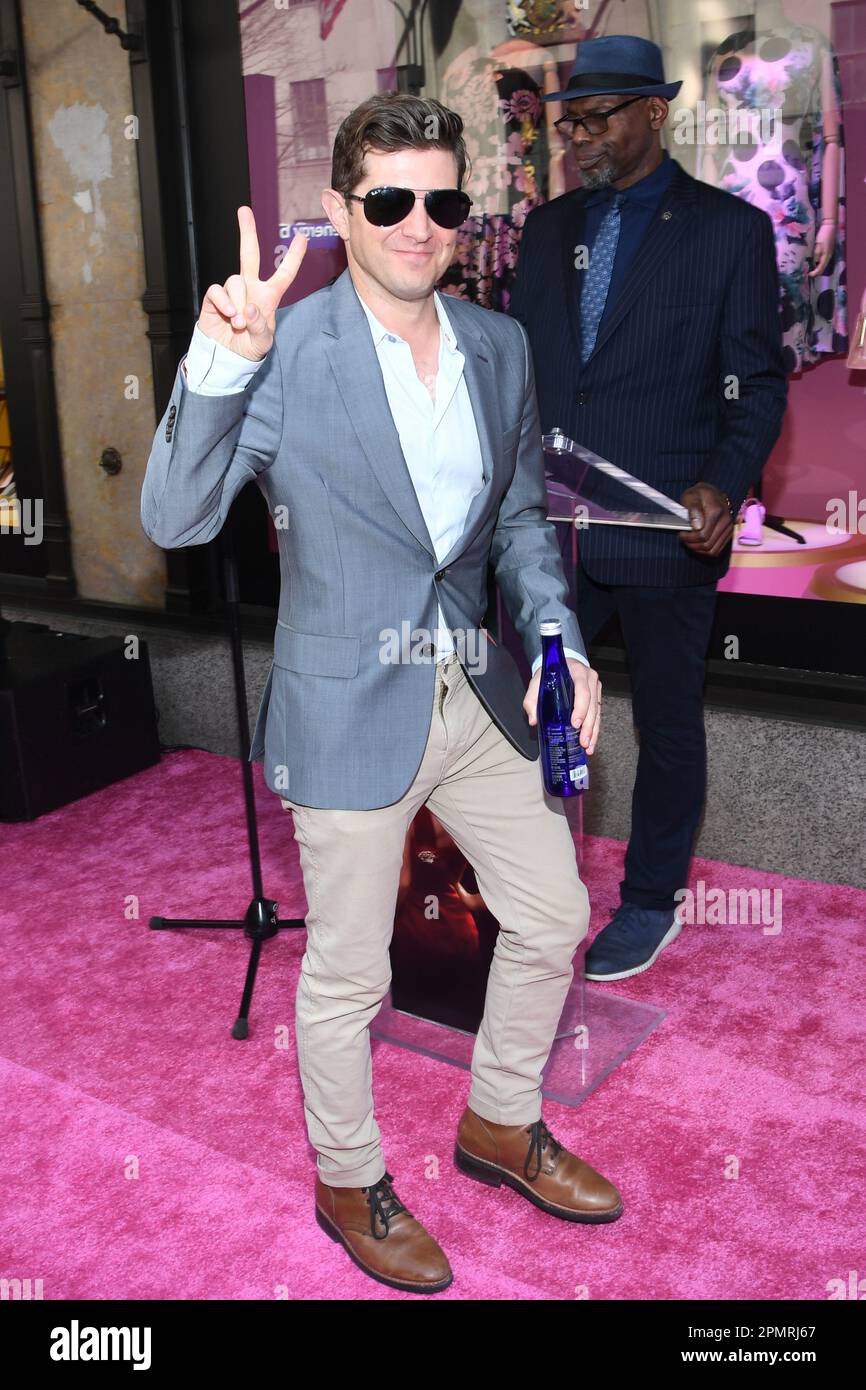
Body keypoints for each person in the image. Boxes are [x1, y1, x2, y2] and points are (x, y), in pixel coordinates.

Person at [140, 93, 620, 1297]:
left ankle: (498, 1123)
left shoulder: (496, 346)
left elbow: (513, 526)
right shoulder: (285, 352)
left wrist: (557, 635)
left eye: (442, 201)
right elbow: (173, 519)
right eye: (390, 200)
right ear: (343, 211)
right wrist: (219, 361)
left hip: (471, 686)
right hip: (346, 698)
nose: (419, 224)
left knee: (552, 914)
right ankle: (347, 1178)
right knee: (350, 974)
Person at [509, 36, 788, 983]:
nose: (580, 135)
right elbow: (530, 378)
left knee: (667, 723)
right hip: (550, 535)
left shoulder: (728, 231)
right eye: (571, 120)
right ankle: (539, 889)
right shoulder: (545, 232)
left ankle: (649, 899)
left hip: (667, 528)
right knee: (541, 716)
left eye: (600, 117)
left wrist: (724, 479)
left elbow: (757, 383)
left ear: (656, 114)